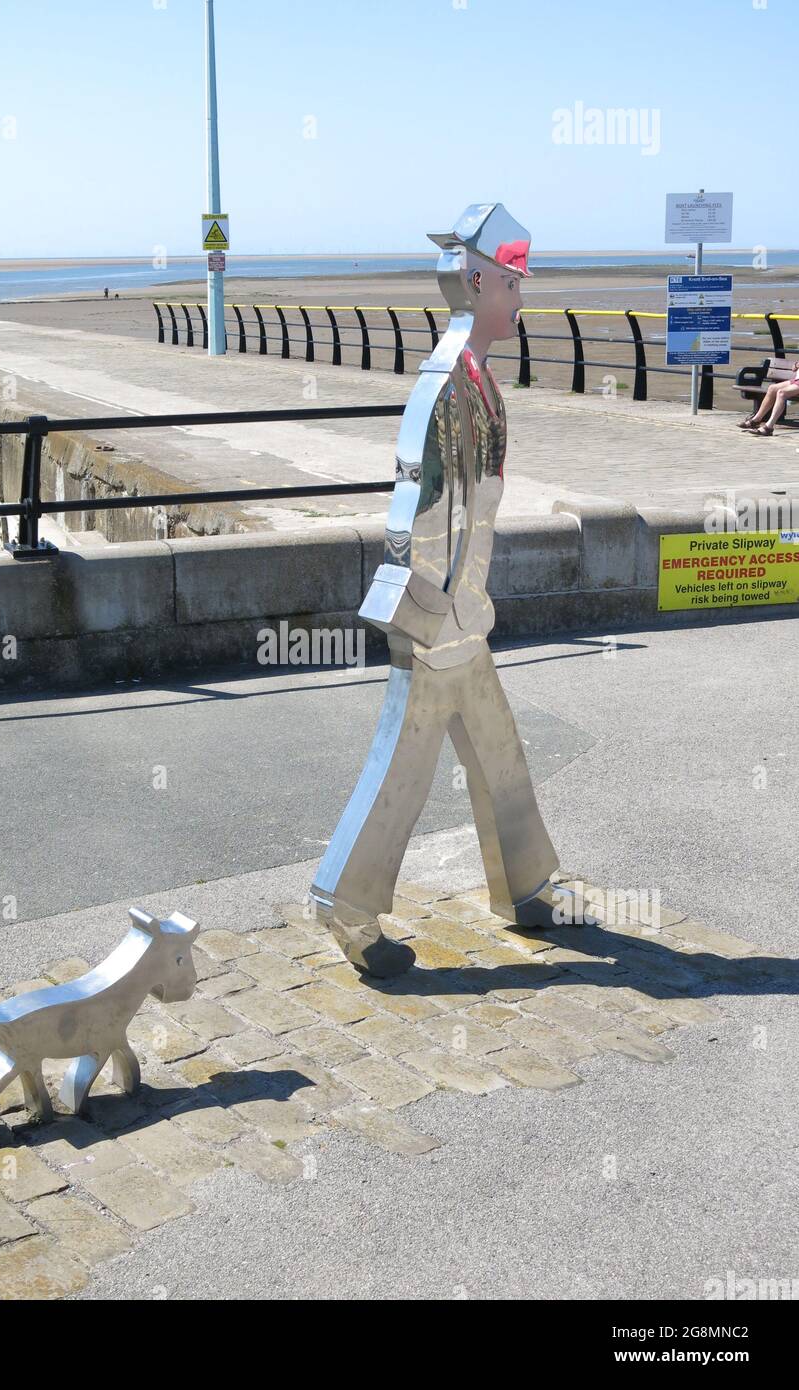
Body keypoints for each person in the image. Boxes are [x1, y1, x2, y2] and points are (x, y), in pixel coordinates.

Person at [311, 203, 581, 977]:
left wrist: (464, 601)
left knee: (499, 755)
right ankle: (346, 907)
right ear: (477, 283)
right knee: (403, 771)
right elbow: (414, 502)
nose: (520, 300)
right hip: (434, 617)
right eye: (511, 285)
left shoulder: (477, 378)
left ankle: (526, 886)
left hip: (462, 613)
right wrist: (424, 603)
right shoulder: (446, 382)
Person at [740, 361, 799, 436]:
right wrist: (796, 365)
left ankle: (769, 427)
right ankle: (756, 420)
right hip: (796, 380)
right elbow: (793, 369)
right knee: (772, 388)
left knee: (781, 393)